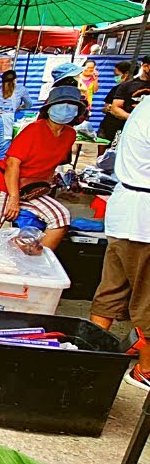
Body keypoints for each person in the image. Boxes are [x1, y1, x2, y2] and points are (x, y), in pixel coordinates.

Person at [0, 86, 87, 251]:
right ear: (49, 108)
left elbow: (52, 165)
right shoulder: (33, 129)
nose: (65, 109)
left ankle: (35, 261)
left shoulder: (70, 134)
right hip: (1, 185)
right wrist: (14, 199)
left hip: (29, 189)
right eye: (61, 104)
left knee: (60, 217)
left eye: (71, 105)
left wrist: (50, 186)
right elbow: (12, 164)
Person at [91, 99, 150, 390]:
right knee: (146, 297)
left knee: (113, 289)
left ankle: (90, 352)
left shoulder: (144, 107)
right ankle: (145, 369)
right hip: (142, 220)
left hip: (127, 212)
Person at [0, 70, 27, 167]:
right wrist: (20, 107)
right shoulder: (20, 90)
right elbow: (29, 104)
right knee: (2, 153)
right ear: (15, 80)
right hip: (4, 122)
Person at [102, 56, 150, 144]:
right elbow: (115, 108)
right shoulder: (127, 86)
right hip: (126, 131)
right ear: (145, 66)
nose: (116, 77)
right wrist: (135, 119)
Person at [96, 60, 134, 153]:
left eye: (117, 74)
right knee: (102, 155)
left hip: (124, 128)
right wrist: (108, 108)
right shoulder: (116, 89)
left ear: (126, 74)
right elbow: (105, 107)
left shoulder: (138, 90)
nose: (115, 77)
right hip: (108, 126)